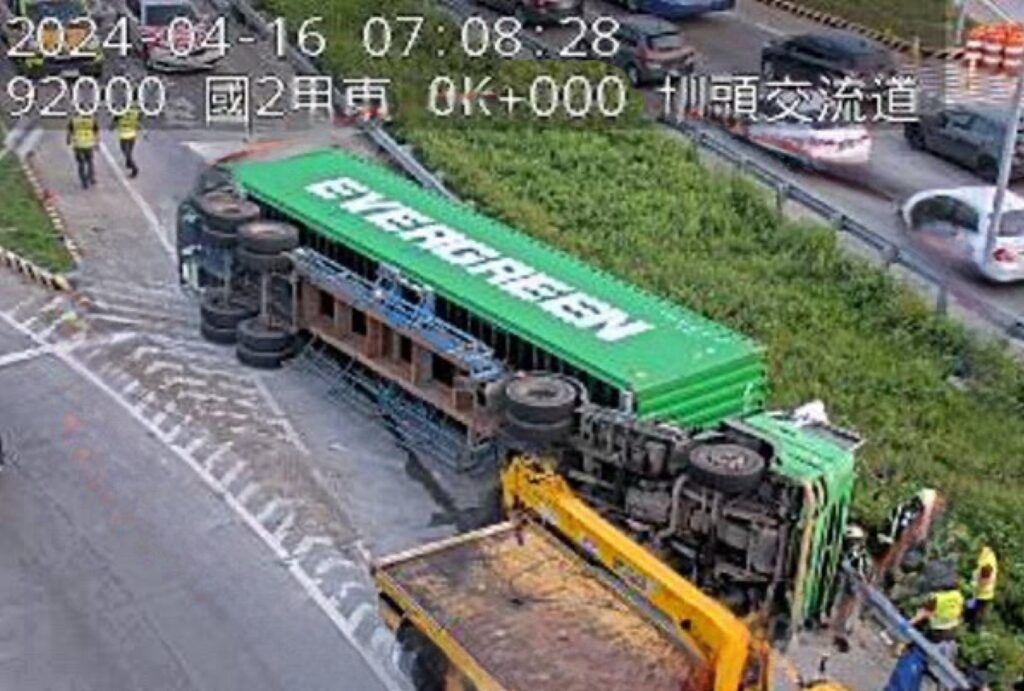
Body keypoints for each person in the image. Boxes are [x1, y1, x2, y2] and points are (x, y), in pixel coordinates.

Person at [909, 573, 964, 645]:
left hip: (936, 628)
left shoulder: (937, 597)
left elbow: (924, 612)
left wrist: (910, 622)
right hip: (950, 629)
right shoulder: (959, 597)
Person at [966, 546, 997, 631]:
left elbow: (984, 580)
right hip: (984, 591)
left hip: (983, 593)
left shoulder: (986, 565)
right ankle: (972, 624)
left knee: (978, 611)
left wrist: (974, 583)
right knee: (976, 609)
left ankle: (975, 628)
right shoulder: (989, 554)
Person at [66, 112, 99, 189]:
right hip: (89, 145)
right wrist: (96, 143)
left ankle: (84, 182)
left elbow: (69, 132)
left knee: (81, 164)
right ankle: (91, 177)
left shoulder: (74, 120)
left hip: (78, 145)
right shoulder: (92, 120)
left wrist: (68, 140)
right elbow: (96, 132)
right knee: (90, 162)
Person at [113, 105, 141, 178]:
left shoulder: (119, 112)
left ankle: (134, 168)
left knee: (126, 153)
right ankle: (128, 163)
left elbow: (114, 123)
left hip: (124, 136)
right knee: (129, 153)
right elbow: (138, 123)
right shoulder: (134, 112)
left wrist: (111, 127)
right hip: (132, 136)